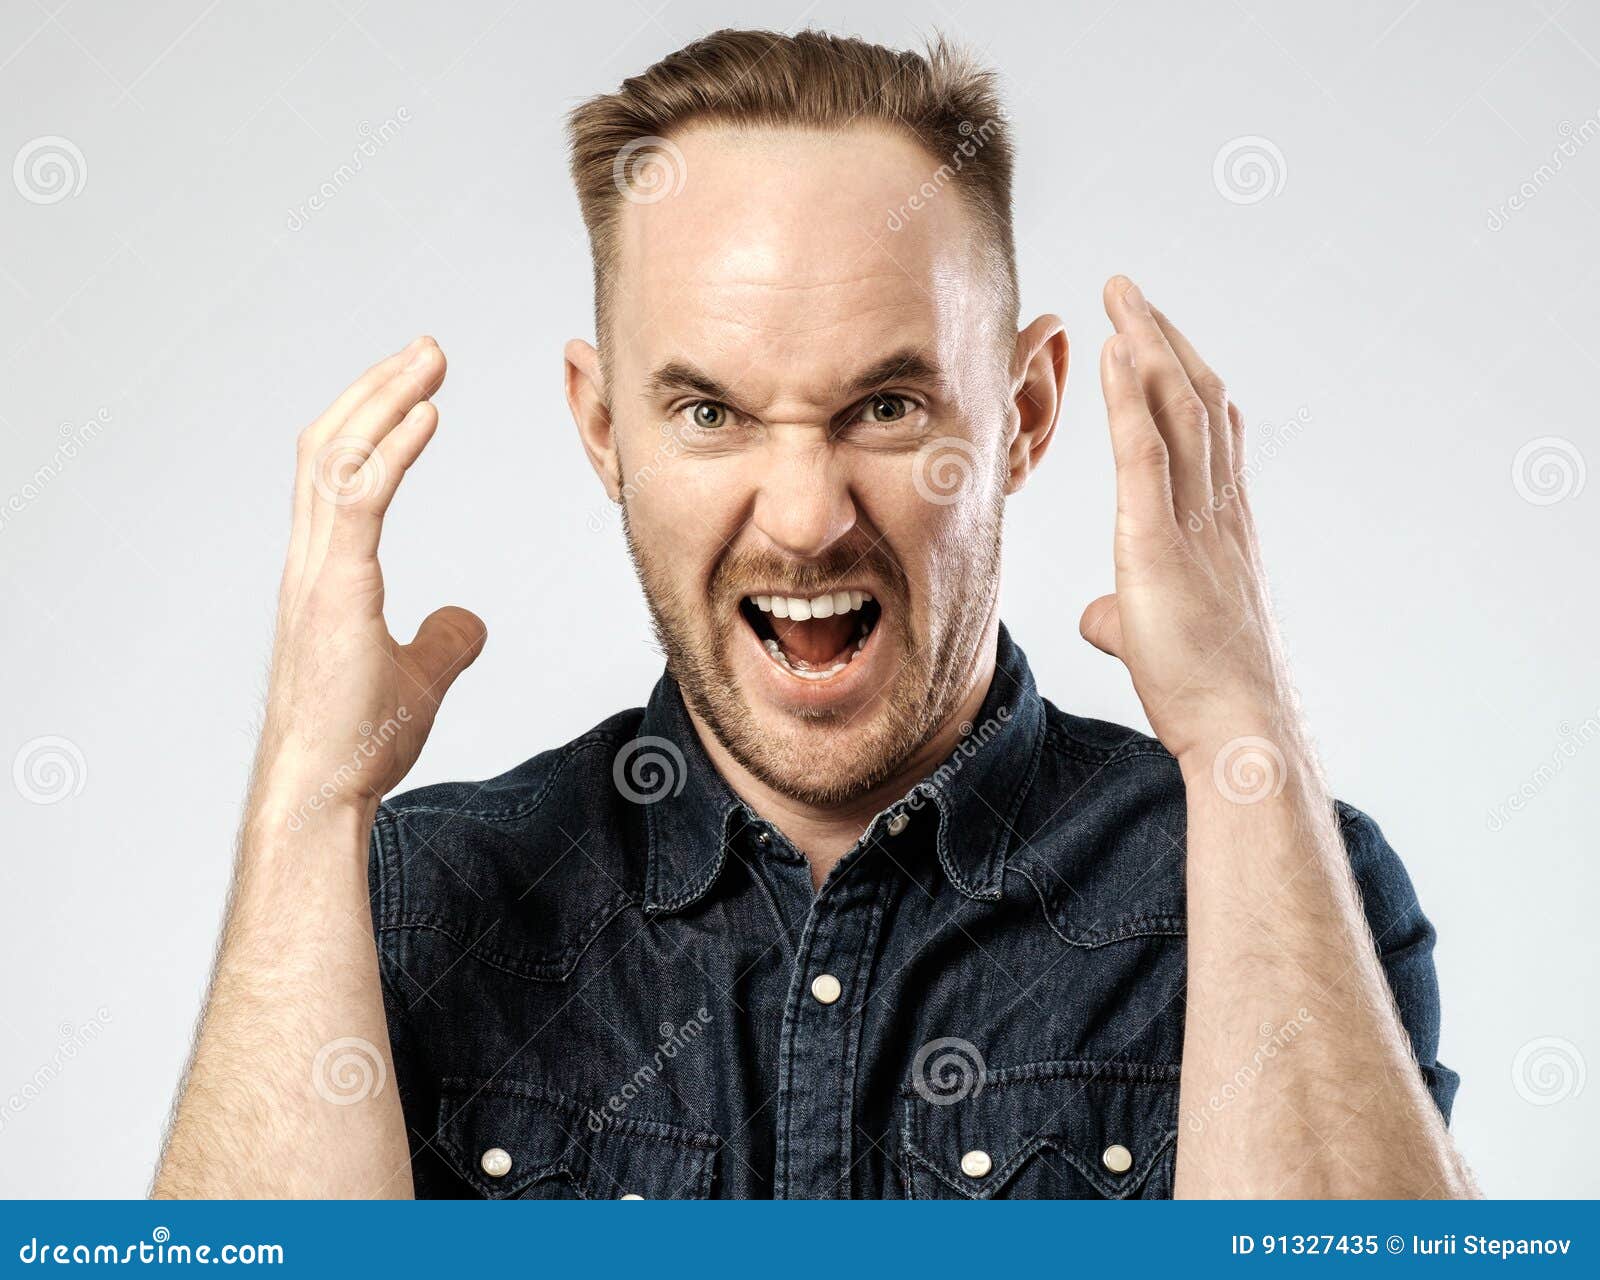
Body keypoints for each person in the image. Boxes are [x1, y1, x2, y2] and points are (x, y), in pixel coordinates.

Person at [154, 29, 1474, 1200]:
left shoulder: (1282, 884)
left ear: (1022, 413)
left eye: (888, 406)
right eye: (711, 412)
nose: (802, 515)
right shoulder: (414, 903)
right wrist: (303, 799)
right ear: (606, 427)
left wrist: (1245, 729)